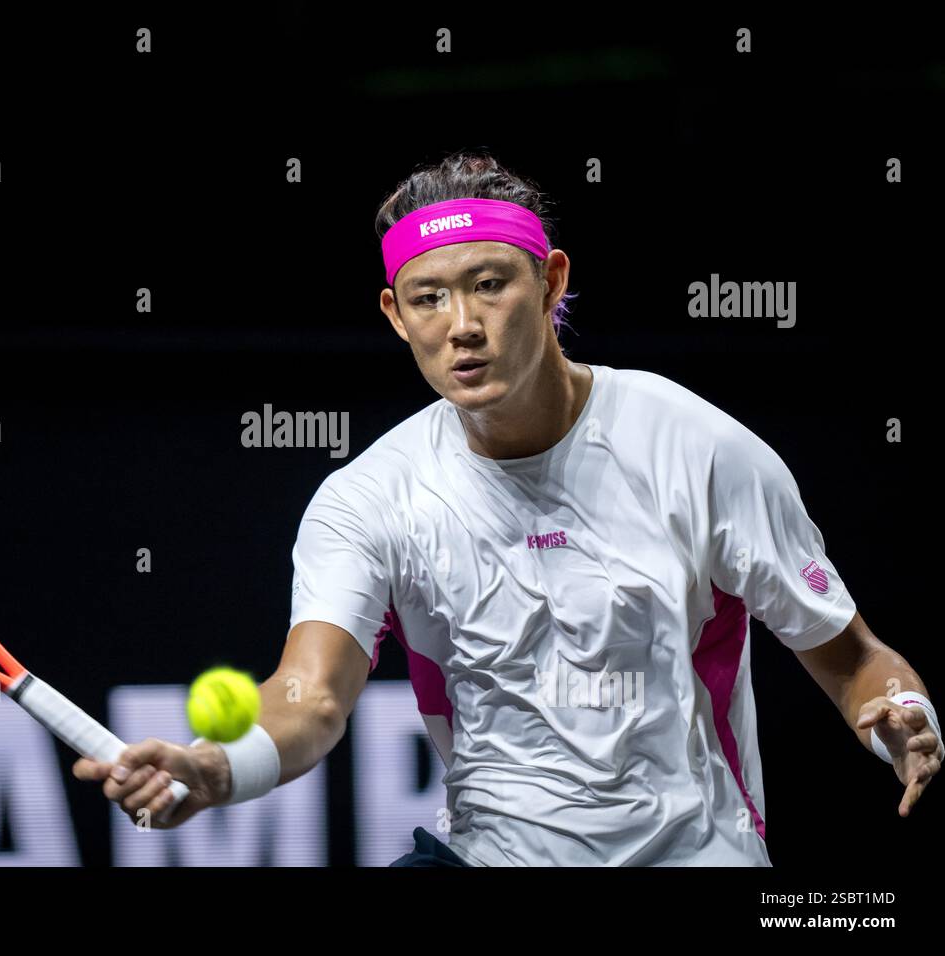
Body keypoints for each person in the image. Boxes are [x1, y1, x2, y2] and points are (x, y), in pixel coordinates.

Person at [73, 151, 941, 865]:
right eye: (429, 297)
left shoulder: (697, 446)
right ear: (394, 314)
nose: (463, 324)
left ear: (552, 281)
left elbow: (854, 657)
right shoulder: (367, 499)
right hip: (487, 855)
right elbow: (311, 696)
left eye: (490, 284)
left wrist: (902, 715)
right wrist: (221, 768)